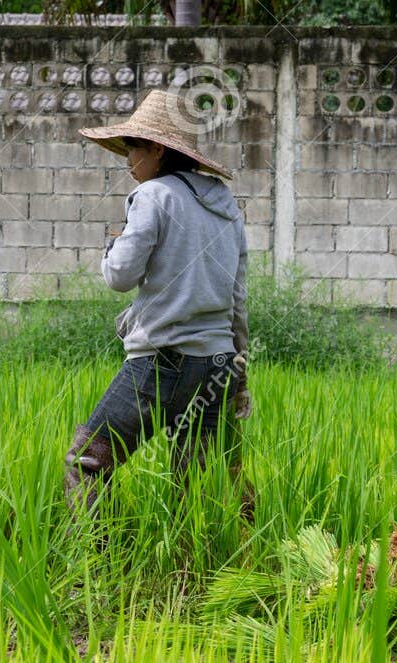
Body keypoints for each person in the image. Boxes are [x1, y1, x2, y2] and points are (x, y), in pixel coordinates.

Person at [64, 89, 255, 522]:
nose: (126, 160)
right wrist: (239, 377)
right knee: (201, 481)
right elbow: (237, 298)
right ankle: (209, 571)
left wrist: (113, 243)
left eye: (130, 148)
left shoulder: (153, 197)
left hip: (160, 362)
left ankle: (96, 569)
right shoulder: (226, 207)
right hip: (218, 363)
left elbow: (119, 277)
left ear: (155, 148)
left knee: (87, 463)